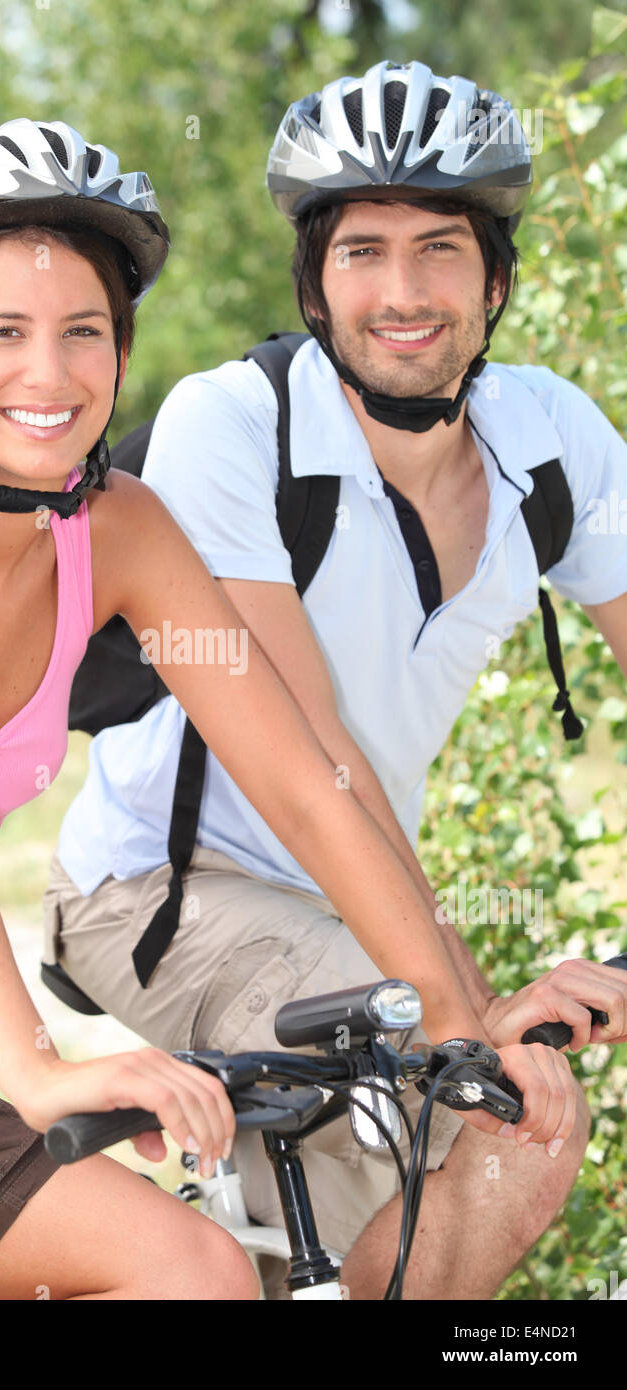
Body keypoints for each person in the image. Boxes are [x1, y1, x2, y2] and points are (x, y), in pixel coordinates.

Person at [0, 113, 566, 1302]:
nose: (51, 373)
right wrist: (32, 1066)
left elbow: (302, 779)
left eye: (84, 332)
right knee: (184, 1272)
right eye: (4, 334)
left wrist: (462, 1016)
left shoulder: (118, 530)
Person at [43, 62, 627, 1300]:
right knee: (459, 1099)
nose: (402, 294)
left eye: (439, 249)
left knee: (504, 1123)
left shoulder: (551, 441)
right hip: (160, 887)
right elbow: (316, 769)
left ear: (497, 278)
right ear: (313, 280)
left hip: (355, 901)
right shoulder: (232, 427)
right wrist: (463, 1005)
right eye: (362, 250)